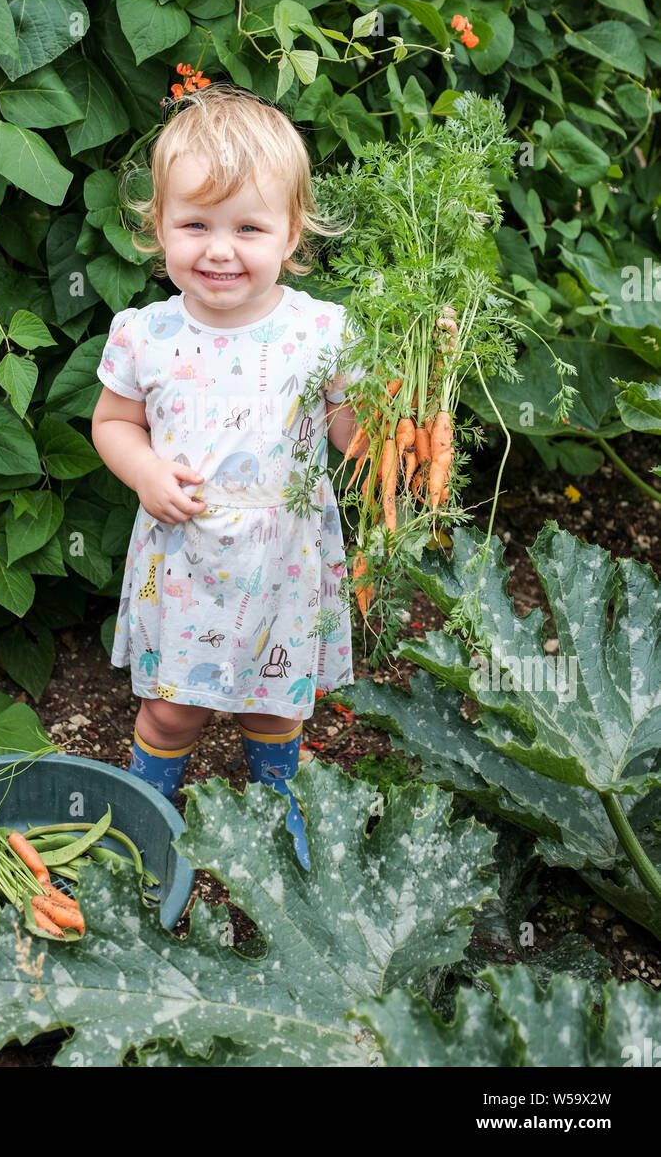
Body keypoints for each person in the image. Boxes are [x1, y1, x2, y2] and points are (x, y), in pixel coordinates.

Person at [91, 83, 456, 868]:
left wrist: (427, 375)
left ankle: (277, 808)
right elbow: (113, 423)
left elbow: (356, 439)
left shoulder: (321, 331)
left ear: (292, 234)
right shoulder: (145, 334)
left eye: (248, 228)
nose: (219, 250)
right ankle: (145, 818)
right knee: (170, 713)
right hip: (183, 560)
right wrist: (145, 470)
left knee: (274, 708)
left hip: (283, 559)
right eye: (195, 224)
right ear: (157, 228)